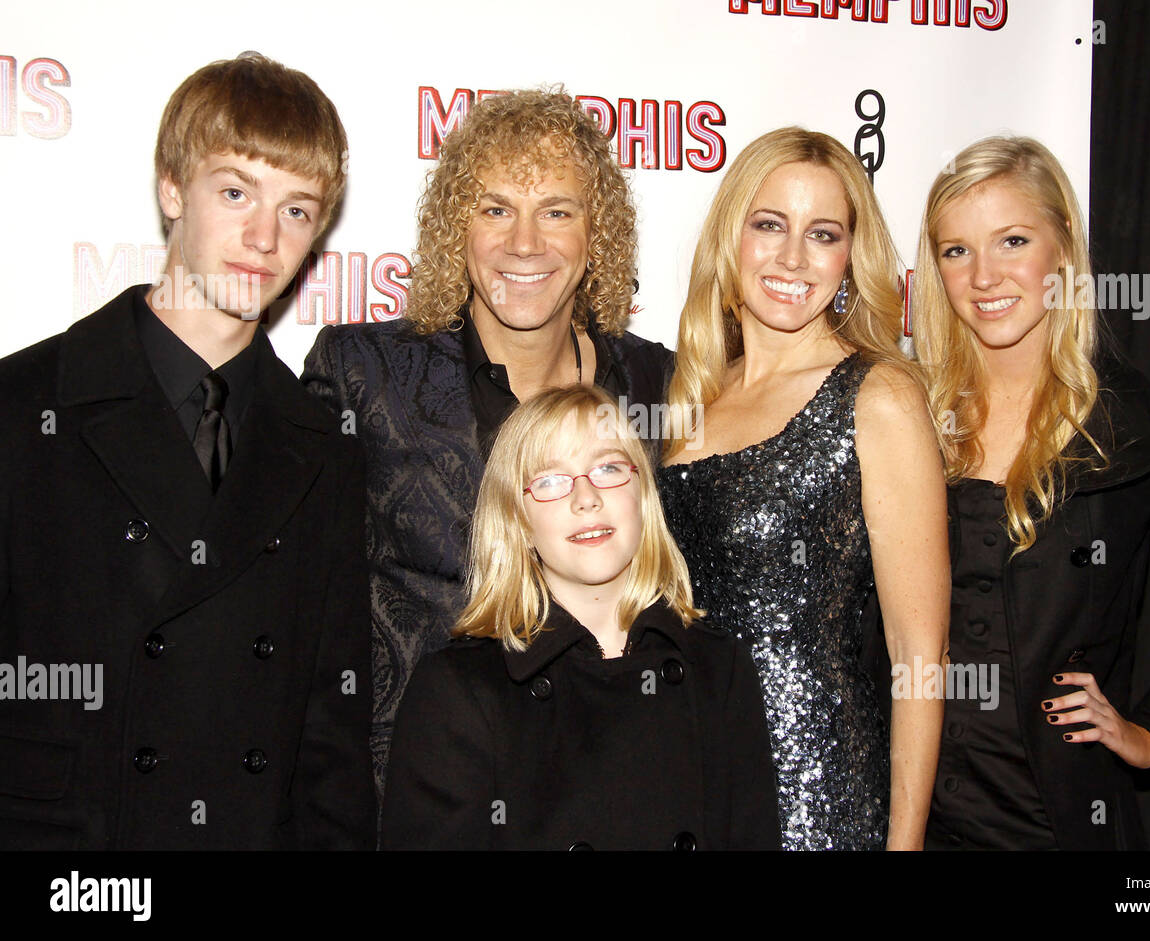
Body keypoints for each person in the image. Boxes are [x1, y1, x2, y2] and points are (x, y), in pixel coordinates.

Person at [0, 53, 373, 849]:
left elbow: (329, 747)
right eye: (236, 192)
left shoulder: (323, 449)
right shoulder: (21, 407)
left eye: (298, 210)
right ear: (172, 189)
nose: (265, 237)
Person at [911, 135, 1150, 850]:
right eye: (955, 250)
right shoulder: (903, 414)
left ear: (1062, 247)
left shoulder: (1132, 422)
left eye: (1013, 240)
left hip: (1058, 820)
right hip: (913, 816)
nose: (983, 275)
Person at [303, 89, 672, 795]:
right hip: (412, 799)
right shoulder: (364, 375)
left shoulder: (656, 383)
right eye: (495, 208)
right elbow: (289, 611)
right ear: (455, 228)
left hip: (605, 794)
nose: (524, 243)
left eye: (557, 212)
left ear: (599, 235)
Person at [656, 128, 949, 850]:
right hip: (688, 787)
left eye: (822, 233)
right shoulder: (690, 398)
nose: (792, 257)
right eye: (769, 225)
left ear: (850, 257)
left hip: (821, 799)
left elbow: (919, 650)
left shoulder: (878, 396)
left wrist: (904, 846)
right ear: (733, 237)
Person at [381, 385, 779, 850]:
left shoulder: (719, 667)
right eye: (550, 480)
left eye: (607, 468)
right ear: (517, 521)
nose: (586, 497)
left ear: (642, 496)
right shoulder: (458, 690)